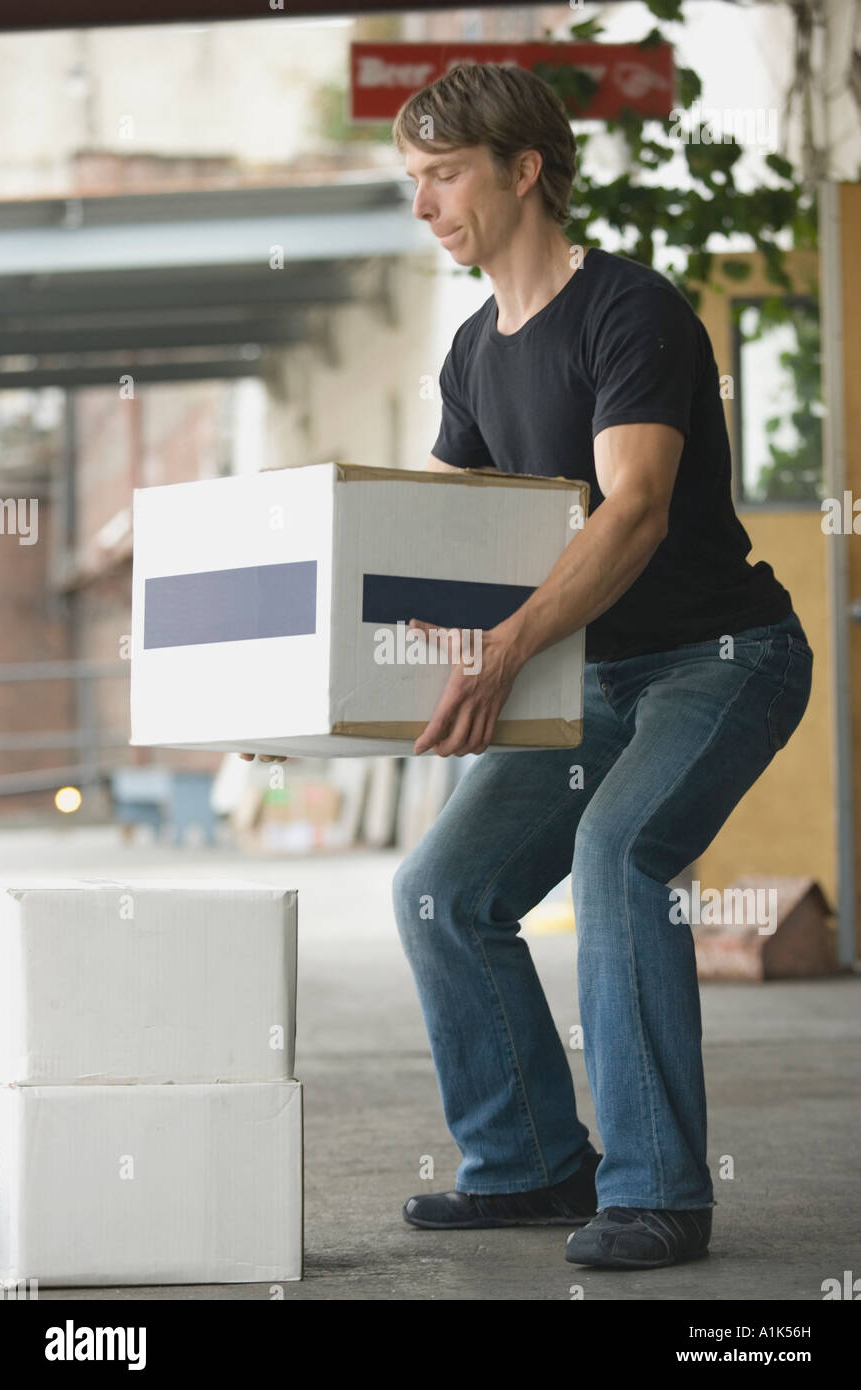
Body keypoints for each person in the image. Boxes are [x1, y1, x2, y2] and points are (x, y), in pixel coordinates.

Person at [385, 61, 814, 1270]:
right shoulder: (472, 353)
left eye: (443, 176)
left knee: (616, 852)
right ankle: (525, 1162)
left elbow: (630, 511)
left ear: (525, 170)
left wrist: (510, 648)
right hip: (585, 675)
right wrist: (349, 680)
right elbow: (462, 554)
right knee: (437, 892)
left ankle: (660, 1193)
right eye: (411, 183)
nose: (422, 207)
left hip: (719, 661)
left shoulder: (631, 312)